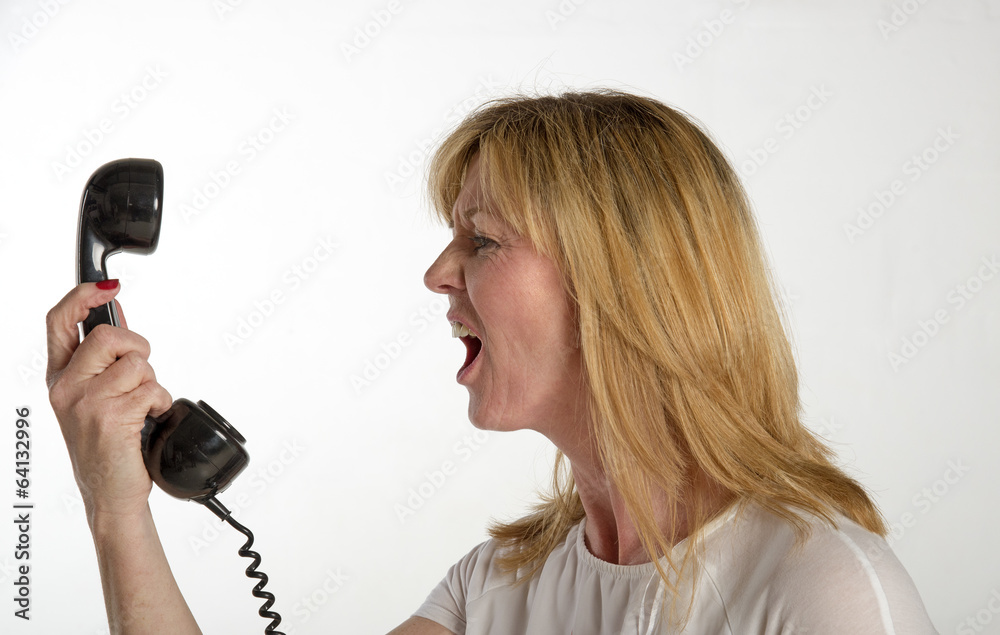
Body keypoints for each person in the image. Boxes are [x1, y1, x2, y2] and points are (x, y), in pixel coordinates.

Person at [47, 90, 938, 634]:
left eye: (482, 239)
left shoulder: (823, 591)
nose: (438, 273)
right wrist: (116, 509)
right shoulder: (496, 591)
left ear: (621, 285)